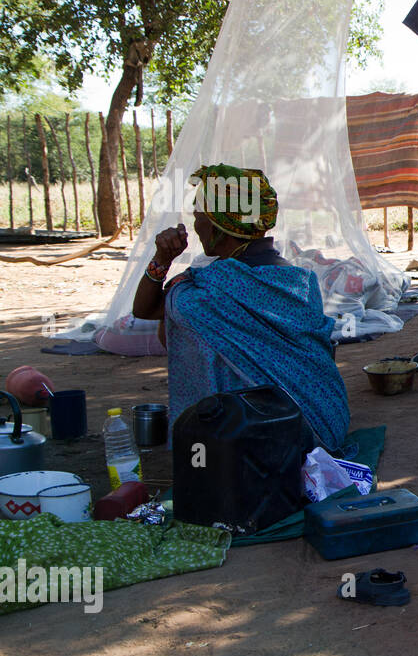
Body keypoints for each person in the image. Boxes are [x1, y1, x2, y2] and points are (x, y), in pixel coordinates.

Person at [132, 164, 349, 448]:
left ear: (219, 225)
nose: (195, 225)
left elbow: (144, 310)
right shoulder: (301, 279)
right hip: (328, 418)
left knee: (185, 326)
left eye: (199, 216)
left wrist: (162, 258)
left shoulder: (201, 295)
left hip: (277, 437)